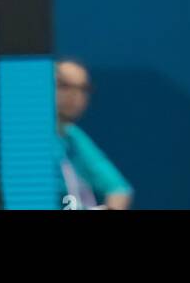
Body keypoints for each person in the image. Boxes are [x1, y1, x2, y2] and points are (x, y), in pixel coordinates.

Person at [55, 59, 132, 209]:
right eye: (64, 86)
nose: (75, 95)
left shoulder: (73, 136)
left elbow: (119, 189)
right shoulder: (31, 141)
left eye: (83, 88)